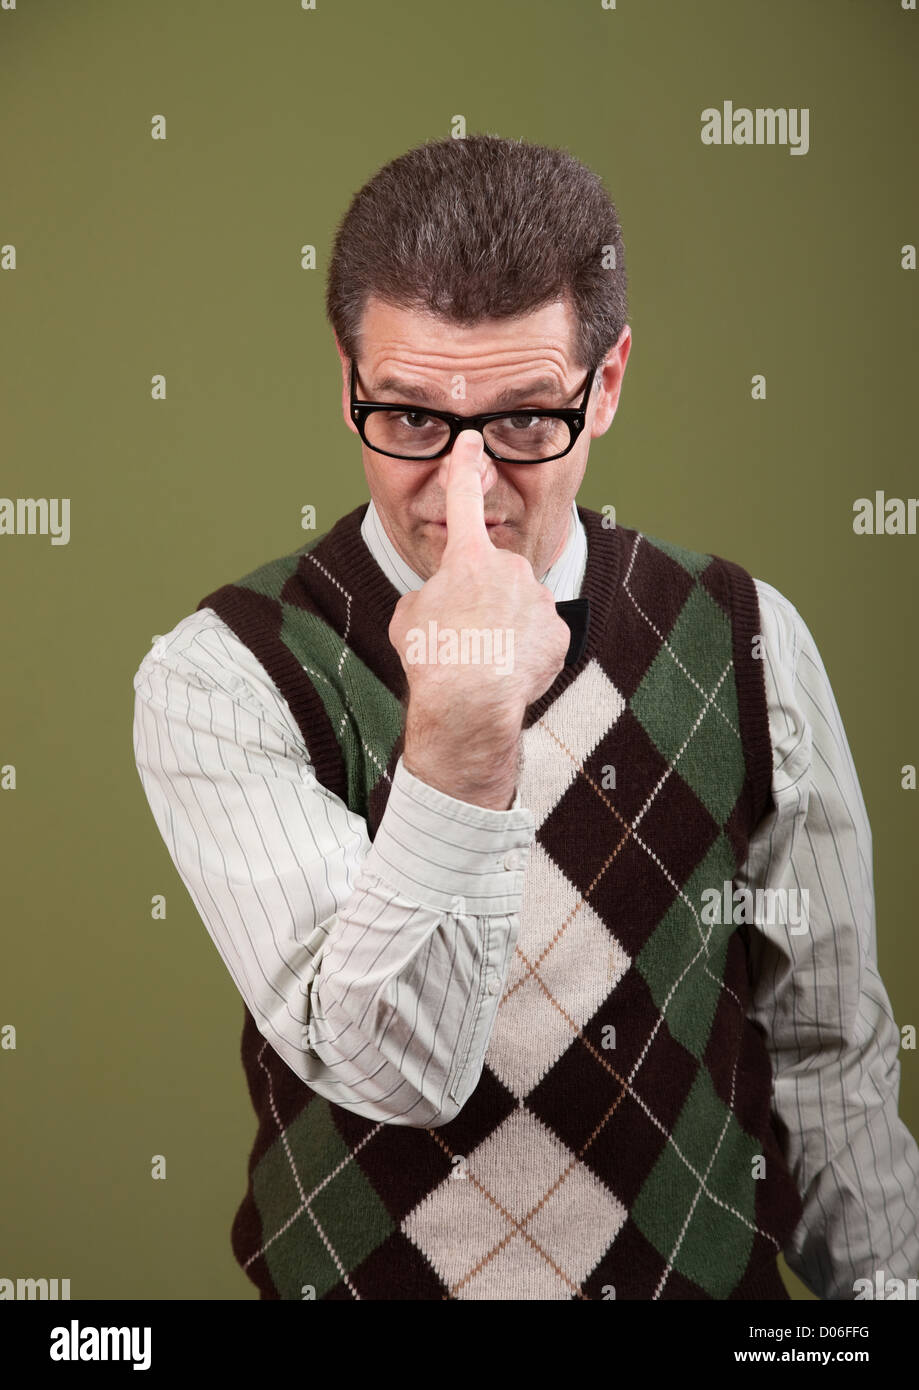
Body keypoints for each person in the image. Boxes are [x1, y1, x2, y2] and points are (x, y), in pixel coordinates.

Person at [132, 133, 919, 1301]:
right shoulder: (223, 674)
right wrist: (457, 735)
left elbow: (823, 1058)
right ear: (346, 381)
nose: (466, 492)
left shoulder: (748, 638)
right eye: (406, 417)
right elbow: (392, 1066)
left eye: (521, 421)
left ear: (603, 386)